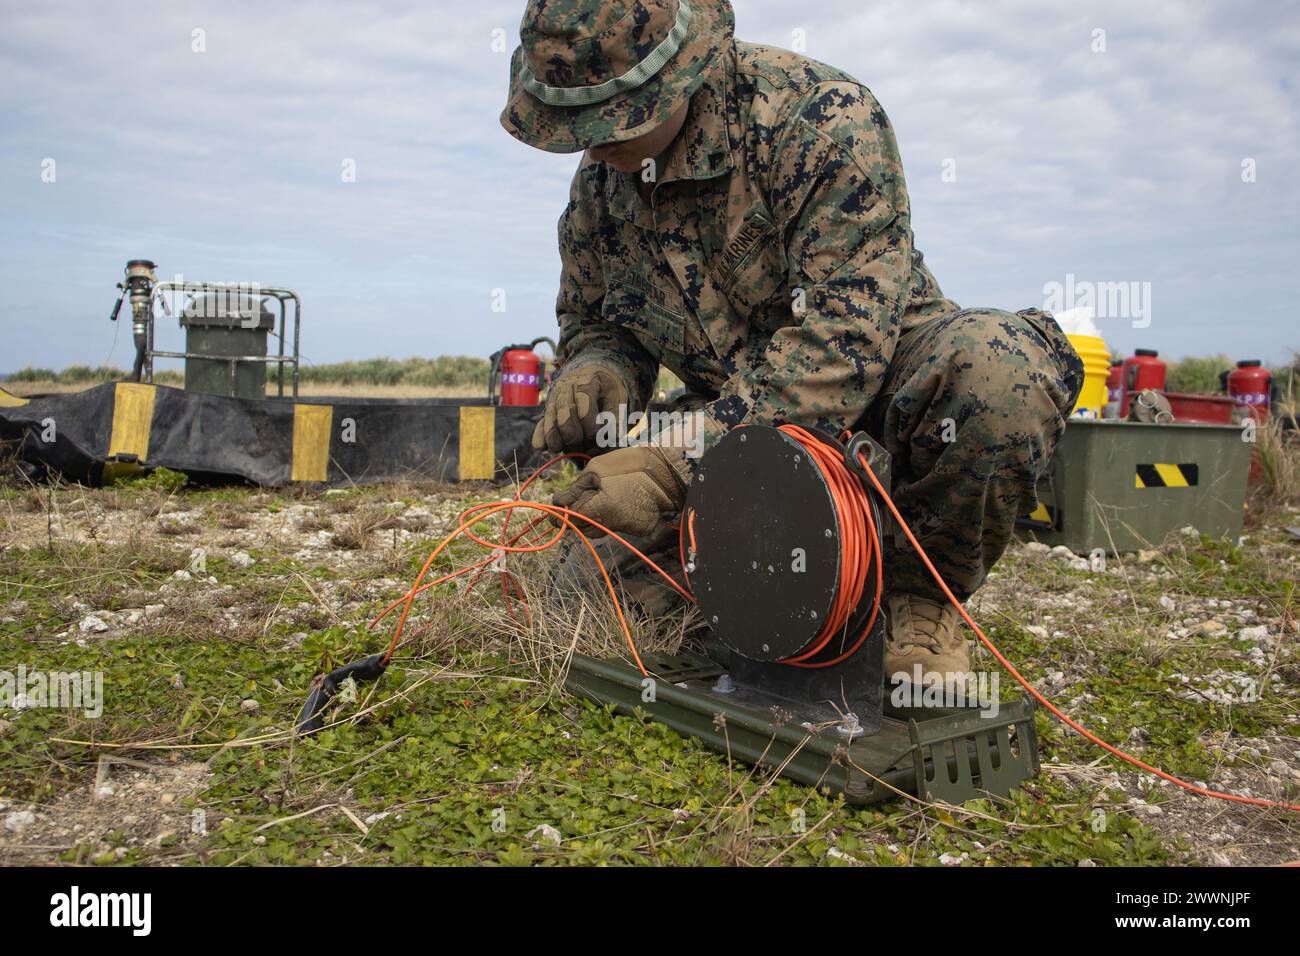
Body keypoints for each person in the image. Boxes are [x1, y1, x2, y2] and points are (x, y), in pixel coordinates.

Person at [499, 0, 1082, 681]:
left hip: (882, 409)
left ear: (679, 76)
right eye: (574, 125)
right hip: (737, 434)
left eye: (609, 117)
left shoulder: (819, 121)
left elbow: (842, 348)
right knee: (585, 600)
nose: (591, 145)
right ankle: (799, 578)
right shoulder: (601, 192)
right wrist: (597, 370)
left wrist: (672, 464)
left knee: (996, 371)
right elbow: (602, 321)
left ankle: (921, 598)